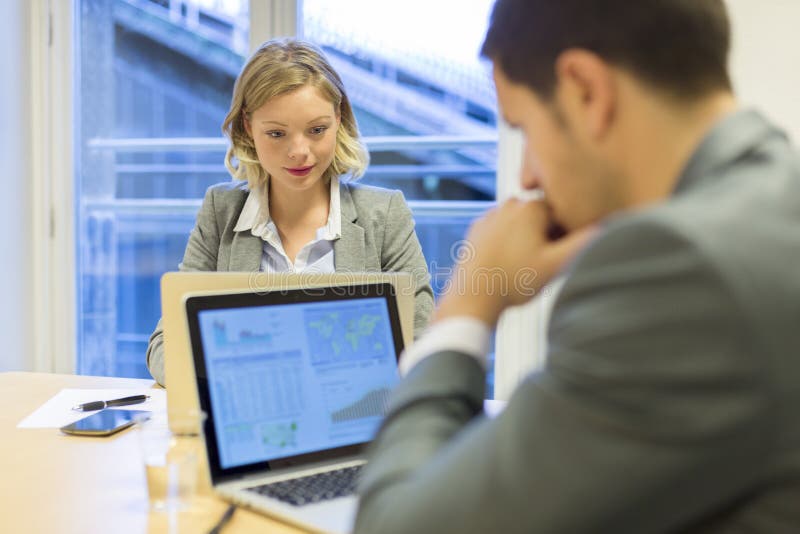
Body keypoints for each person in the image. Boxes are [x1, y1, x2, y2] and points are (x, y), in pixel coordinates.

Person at [354, 1, 800, 532]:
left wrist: (468, 306)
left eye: (524, 130)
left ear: (586, 90)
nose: (527, 177)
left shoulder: (681, 267)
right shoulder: (772, 198)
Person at [146, 39, 433, 386]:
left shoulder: (384, 214)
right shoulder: (220, 211)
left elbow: (424, 346)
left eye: (316, 130)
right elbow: (165, 347)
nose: (299, 152)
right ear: (248, 127)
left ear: (338, 119)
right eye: (277, 133)